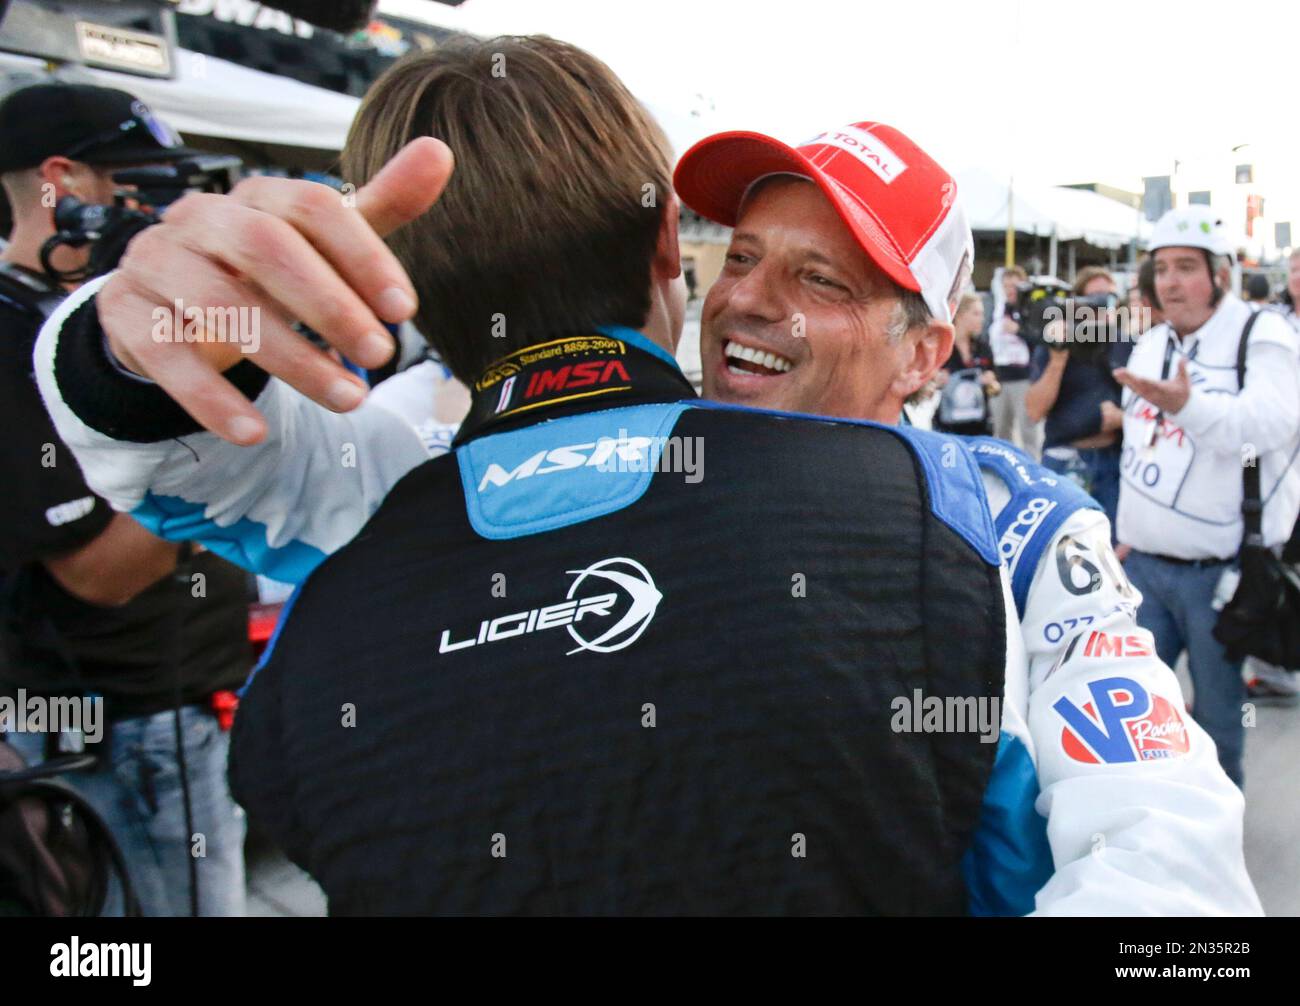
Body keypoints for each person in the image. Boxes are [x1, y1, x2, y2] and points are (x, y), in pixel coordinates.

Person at [32, 48, 1261, 913]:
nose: (750, 304)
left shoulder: (1020, 522)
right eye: (743, 255)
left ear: (929, 350)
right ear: (681, 256)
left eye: (823, 283)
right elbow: (197, 463)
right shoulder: (475, 464)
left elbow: (1169, 859)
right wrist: (124, 331)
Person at [0, 83, 251, 916]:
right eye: (139, 184)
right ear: (62, 186)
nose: (161, 211)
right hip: (127, 722)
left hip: (160, 708)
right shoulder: (16, 336)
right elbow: (99, 574)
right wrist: (223, 415)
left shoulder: (72, 314)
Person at [1113, 204, 1300, 786]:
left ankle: (1215, 852)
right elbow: (1139, 445)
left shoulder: (1262, 334)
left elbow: (1265, 426)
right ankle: (1142, 825)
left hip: (1218, 577)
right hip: (1143, 566)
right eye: (1161, 268)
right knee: (1131, 713)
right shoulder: (1154, 342)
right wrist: (1125, 534)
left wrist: (1187, 406)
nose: (1170, 282)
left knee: (1218, 721)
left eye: (1186, 267)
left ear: (1221, 273)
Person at [1023, 267, 1131, 536]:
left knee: (1114, 547)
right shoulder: (1056, 342)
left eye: (1110, 298)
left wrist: (1122, 418)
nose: (1102, 306)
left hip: (1115, 462)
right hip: (1067, 460)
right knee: (1061, 544)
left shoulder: (1125, 343)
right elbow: (1034, 411)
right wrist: (1058, 358)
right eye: (1094, 298)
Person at [988, 264, 1043, 456]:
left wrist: (1018, 330)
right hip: (1001, 377)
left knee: (1028, 429)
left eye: (1014, 286)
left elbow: (1040, 340)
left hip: (1024, 377)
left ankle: (1033, 469)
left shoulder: (1031, 310)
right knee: (1001, 429)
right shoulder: (998, 310)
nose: (1010, 291)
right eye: (1006, 286)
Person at [933, 291, 999, 436]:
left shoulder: (983, 347)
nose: (982, 319)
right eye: (976, 314)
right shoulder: (941, 346)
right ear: (960, 315)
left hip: (980, 427)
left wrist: (990, 382)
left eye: (982, 314)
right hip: (947, 426)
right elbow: (926, 387)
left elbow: (995, 388)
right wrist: (935, 380)